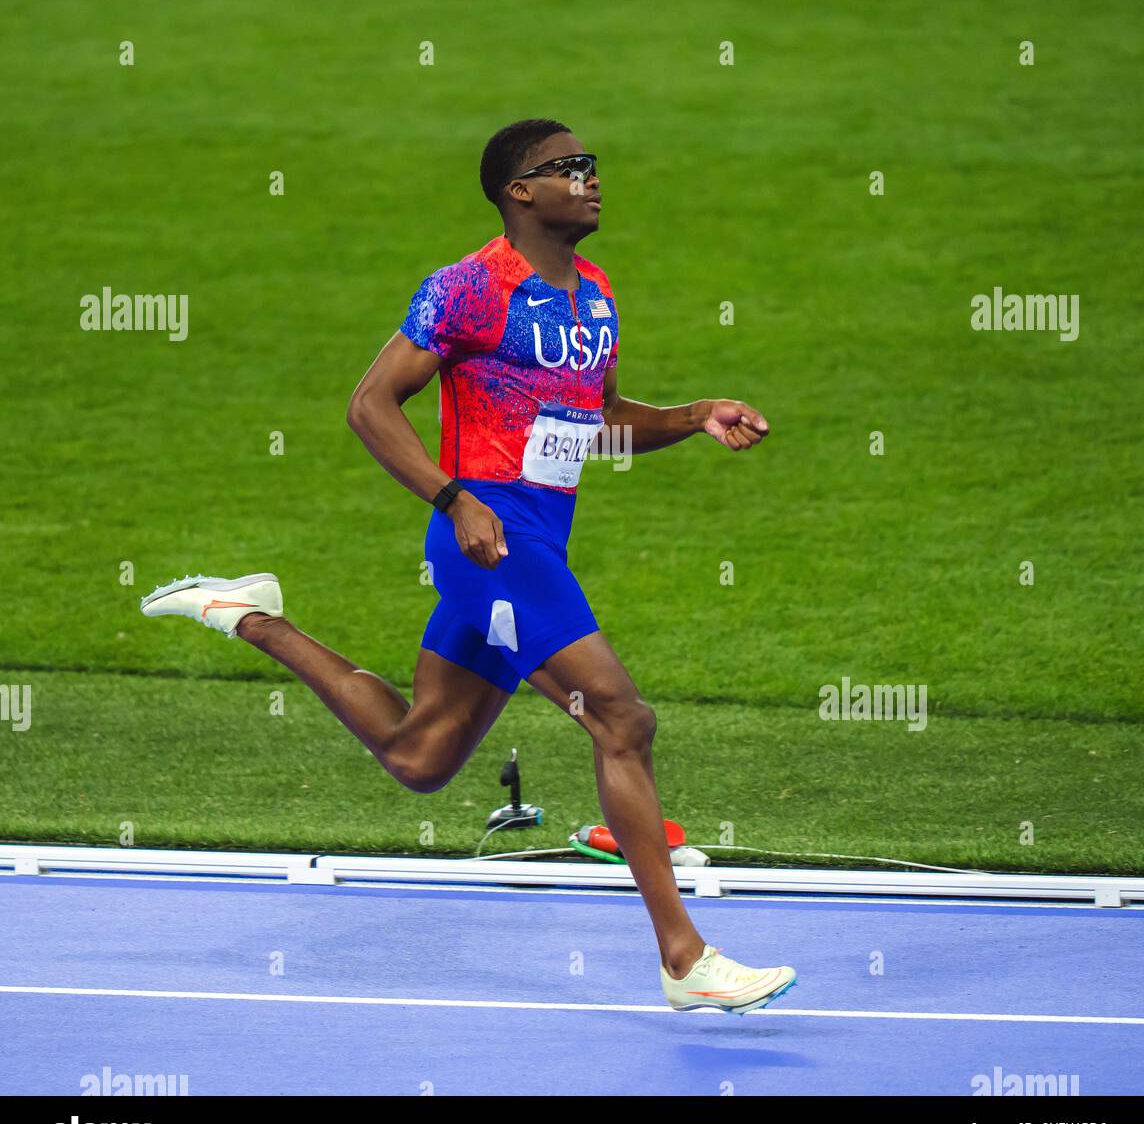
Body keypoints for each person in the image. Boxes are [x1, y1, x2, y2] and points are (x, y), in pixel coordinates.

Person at [142, 118, 797, 1014]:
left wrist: (690, 415)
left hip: (532, 538)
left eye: (591, 165)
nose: (590, 178)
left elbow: (590, 423)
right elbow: (370, 406)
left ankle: (247, 614)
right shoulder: (467, 288)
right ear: (519, 190)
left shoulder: (594, 294)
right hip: (489, 544)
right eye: (568, 168)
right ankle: (683, 957)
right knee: (620, 717)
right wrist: (454, 500)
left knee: (421, 756)